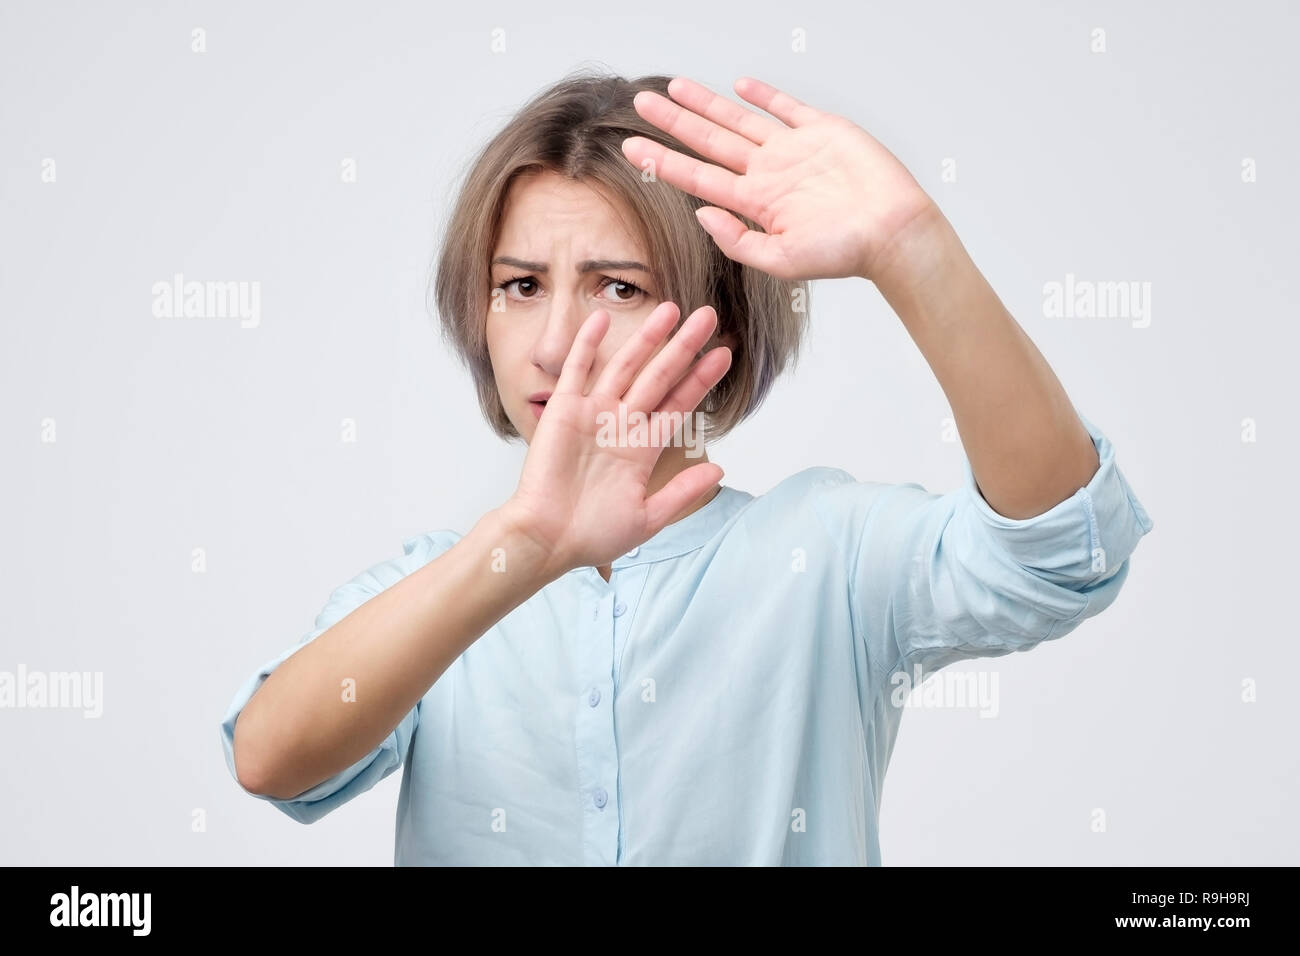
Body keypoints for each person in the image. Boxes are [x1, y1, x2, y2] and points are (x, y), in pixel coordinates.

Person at [219, 69, 1154, 865]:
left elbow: (1058, 548)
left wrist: (913, 248)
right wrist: (524, 543)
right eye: (520, 286)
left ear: (727, 322)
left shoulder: (822, 556)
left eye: (618, 287)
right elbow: (271, 760)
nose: (554, 344)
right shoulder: (436, 590)